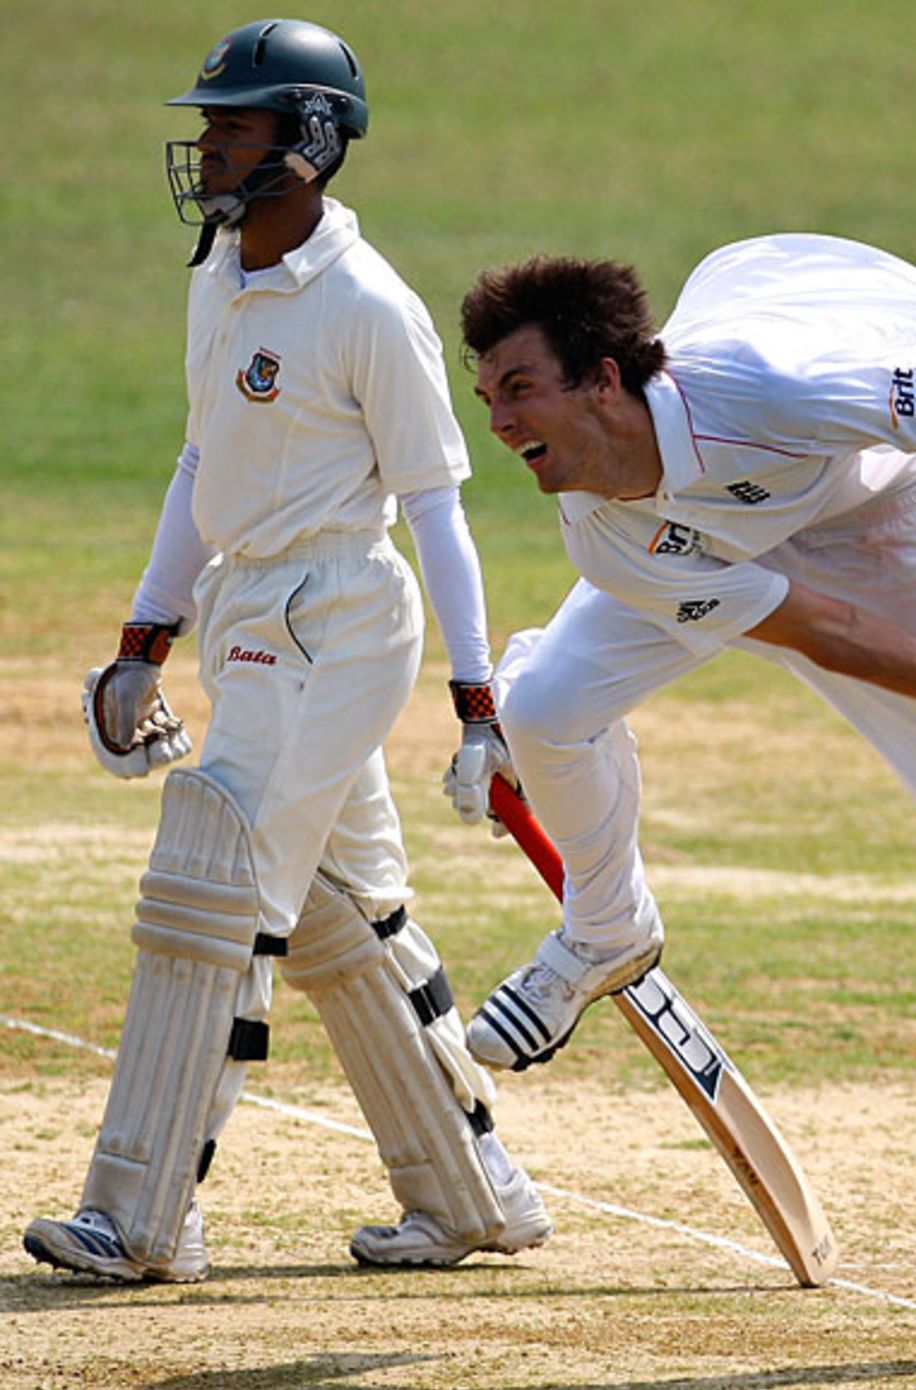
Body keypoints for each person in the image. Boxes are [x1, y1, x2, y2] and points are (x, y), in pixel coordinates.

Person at [453, 236, 916, 1365]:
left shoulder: (768, 377)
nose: (497, 420)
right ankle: (606, 925)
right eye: (486, 395)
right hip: (741, 528)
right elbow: (820, 628)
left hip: (896, 495)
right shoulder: (602, 522)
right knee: (541, 707)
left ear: (603, 377)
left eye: (519, 387)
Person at [23, 18, 550, 1284]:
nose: (206, 147)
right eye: (209, 124)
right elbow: (203, 464)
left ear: (307, 145)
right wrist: (146, 640)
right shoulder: (219, 278)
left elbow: (436, 508)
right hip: (251, 611)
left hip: (339, 619)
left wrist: (478, 705)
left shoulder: (370, 308)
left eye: (233, 126)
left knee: (211, 876)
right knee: (338, 917)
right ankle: (471, 1194)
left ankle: (141, 1216)